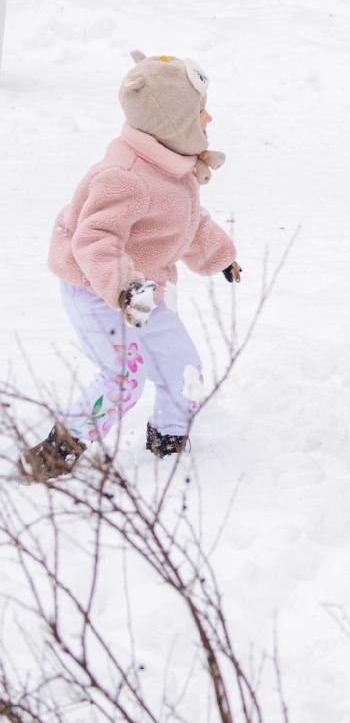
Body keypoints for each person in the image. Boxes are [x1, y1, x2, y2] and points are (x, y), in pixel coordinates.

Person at [22, 52, 241, 480]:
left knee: (184, 371)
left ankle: (169, 444)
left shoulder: (172, 172)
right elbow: (94, 239)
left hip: (146, 292)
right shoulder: (123, 176)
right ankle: (54, 454)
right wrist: (123, 288)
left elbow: (189, 224)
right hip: (96, 288)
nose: (209, 117)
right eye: (200, 111)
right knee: (124, 378)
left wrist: (222, 257)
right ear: (173, 121)